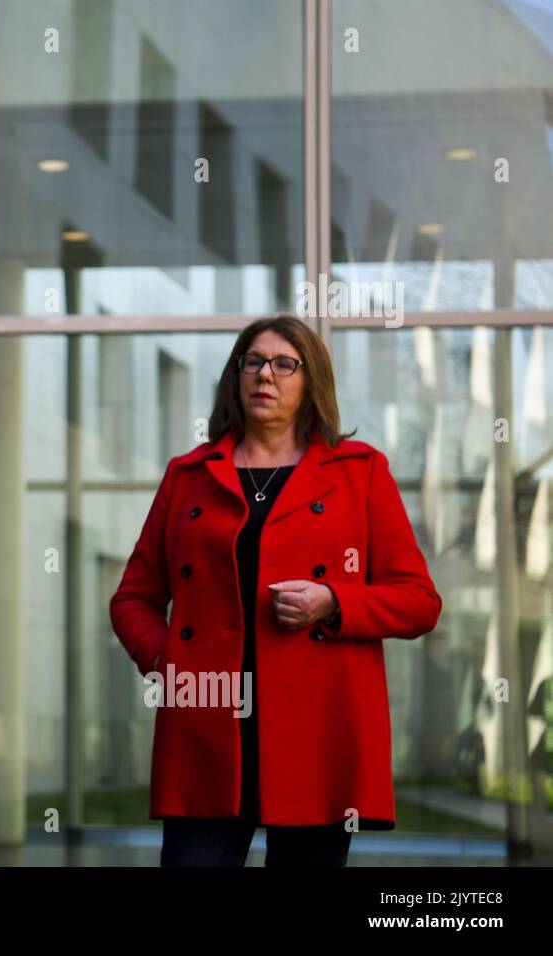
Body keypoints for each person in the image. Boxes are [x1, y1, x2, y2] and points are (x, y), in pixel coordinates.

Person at [109, 314, 441, 866]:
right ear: (236, 376)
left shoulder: (360, 472)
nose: (267, 374)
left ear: (311, 381)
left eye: (286, 364)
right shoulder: (188, 475)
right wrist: (168, 660)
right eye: (254, 361)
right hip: (206, 728)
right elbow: (133, 598)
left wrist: (334, 602)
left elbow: (420, 600)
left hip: (319, 734)